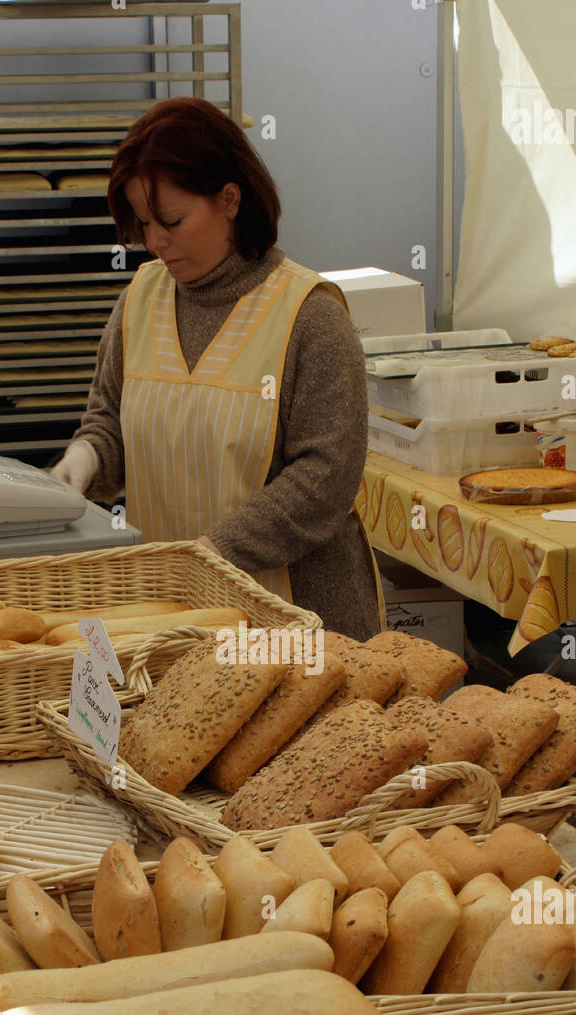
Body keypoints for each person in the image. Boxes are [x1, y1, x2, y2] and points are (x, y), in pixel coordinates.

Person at [52, 96, 383, 639]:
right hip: (179, 611)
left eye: (172, 221)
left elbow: (325, 476)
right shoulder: (140, 300)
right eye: (142, 223)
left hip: (296, 616)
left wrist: (217, 550)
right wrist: (83, 460)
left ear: (230, 200)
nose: (155, 241)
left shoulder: (310, 315)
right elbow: (109, 419)